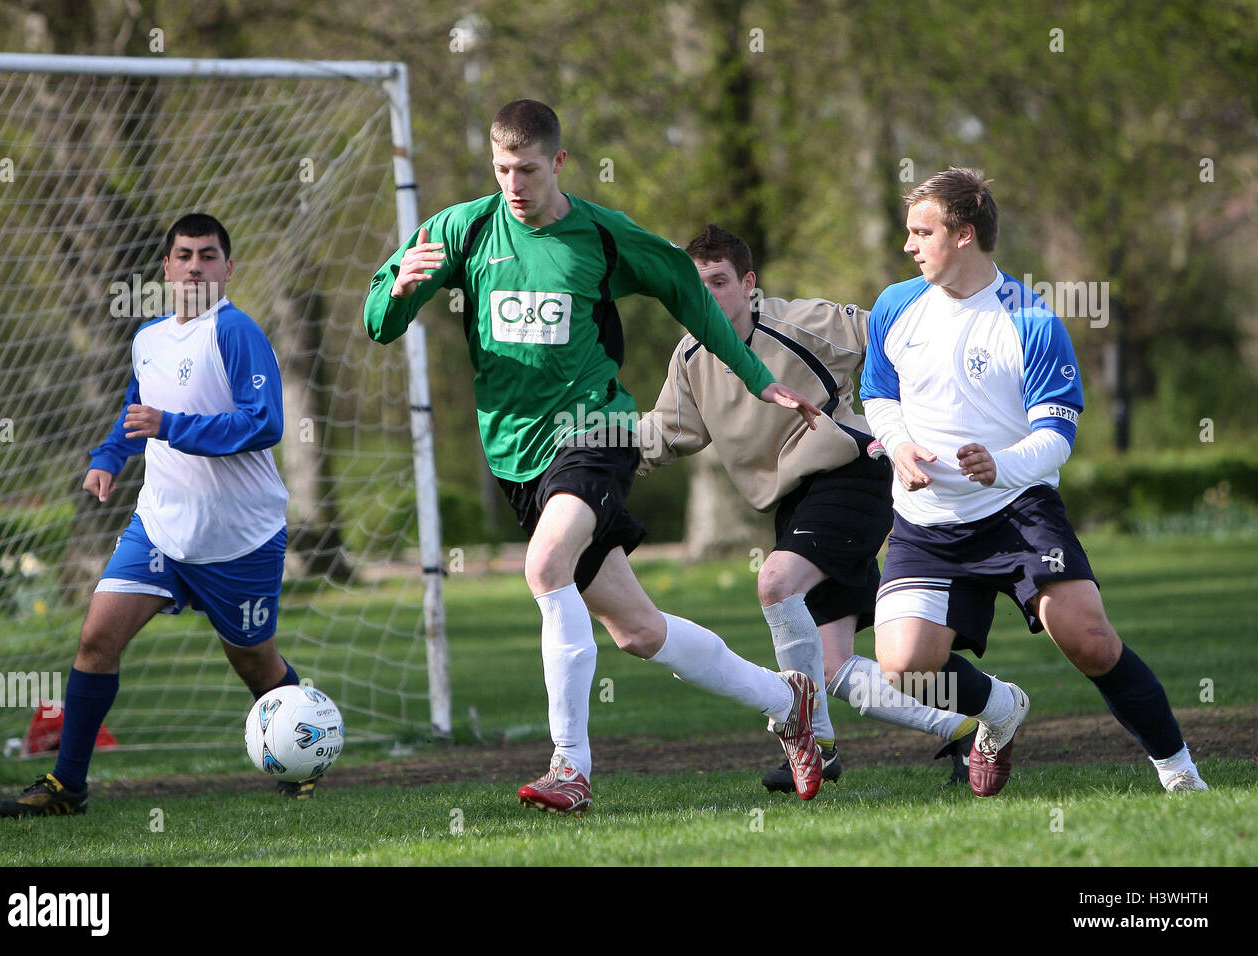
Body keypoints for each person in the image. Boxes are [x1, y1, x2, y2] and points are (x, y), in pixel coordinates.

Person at [364, 99, 828, 814]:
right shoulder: (463, 228)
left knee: (545, 565)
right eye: (500, 169)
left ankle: (570, 769)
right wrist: (399, 292)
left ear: (558, 162)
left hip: (596, 431)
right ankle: (786, 701)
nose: (512, 184)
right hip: (516, 455)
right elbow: (379, 321)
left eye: (525, 169)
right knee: (639, 632)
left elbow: (686, 289)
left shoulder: (602, 236)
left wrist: (758, 376)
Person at [859, 167, 1207, 796]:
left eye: (921, 232)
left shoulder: (1031, 319)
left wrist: (1003, 465)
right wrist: (899, 444)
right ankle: (999, 710)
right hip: (927, 522)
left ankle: (1179, 773)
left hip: (1018, 512)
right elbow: (878, 395)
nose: (909, 246)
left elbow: (1056, 437)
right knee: (904, 668)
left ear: (964, 235)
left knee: (1092, 642)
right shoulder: (895, 305)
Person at [638, 224, 978, 793]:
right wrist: (593, 455)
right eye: (692, 286)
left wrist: (911, 428)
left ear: (749, 284)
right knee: (832, 669)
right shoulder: (690, 357)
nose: (706, 297)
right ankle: (972, 725)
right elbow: (666, 434)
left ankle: (810, 739)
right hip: (795, 503)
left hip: (854, 472)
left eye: (718, 282)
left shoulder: (803, 322)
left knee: (775, 582)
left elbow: (895, 334)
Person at [0, 213, 305, 818]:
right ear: (166, 267)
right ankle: (69, 785)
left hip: (238, 534)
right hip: (160, 524)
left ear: (227, 269)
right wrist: (110, 456)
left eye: (209, 255)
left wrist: (173, 428)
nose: (195, 265)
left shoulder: (236, 332)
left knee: (252, 660)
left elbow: (264, 422)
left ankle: (304, 748)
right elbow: (136, 411)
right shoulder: (149, 339)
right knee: (96, 638)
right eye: (184, 255)